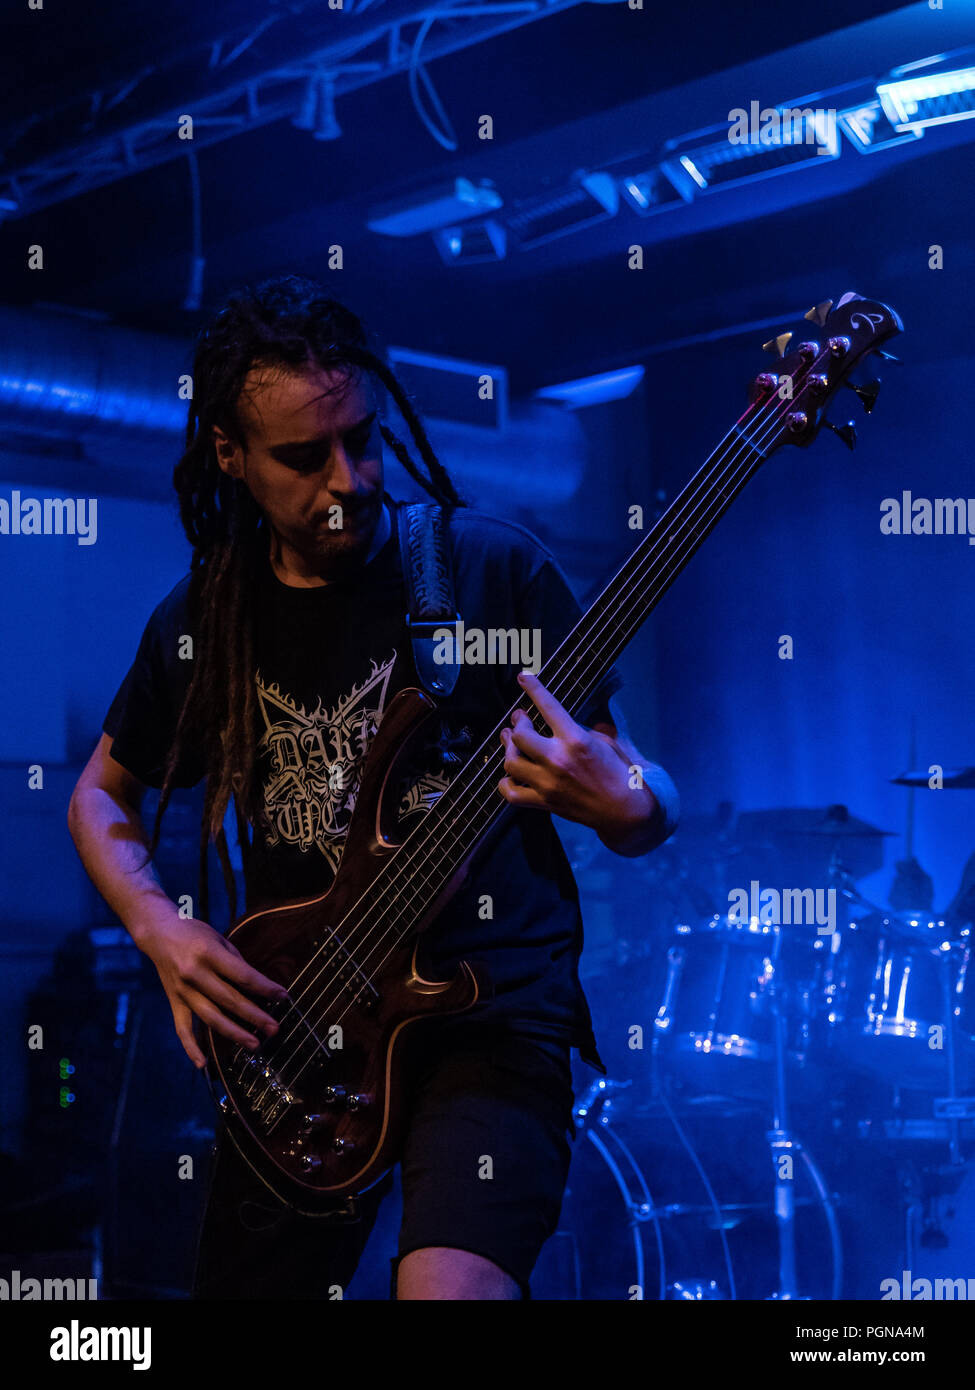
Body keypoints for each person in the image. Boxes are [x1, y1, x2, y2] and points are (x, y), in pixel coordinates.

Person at [67, 275, 679, 1300]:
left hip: (487, 1019)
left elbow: (634, 777)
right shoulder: (207, 616)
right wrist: (163, 932)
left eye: (363, 439)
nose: (346, 480)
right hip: (303, 1036)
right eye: (304, 457)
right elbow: (99, 797)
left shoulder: (489, 575)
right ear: (230, 454)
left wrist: (631, 804)